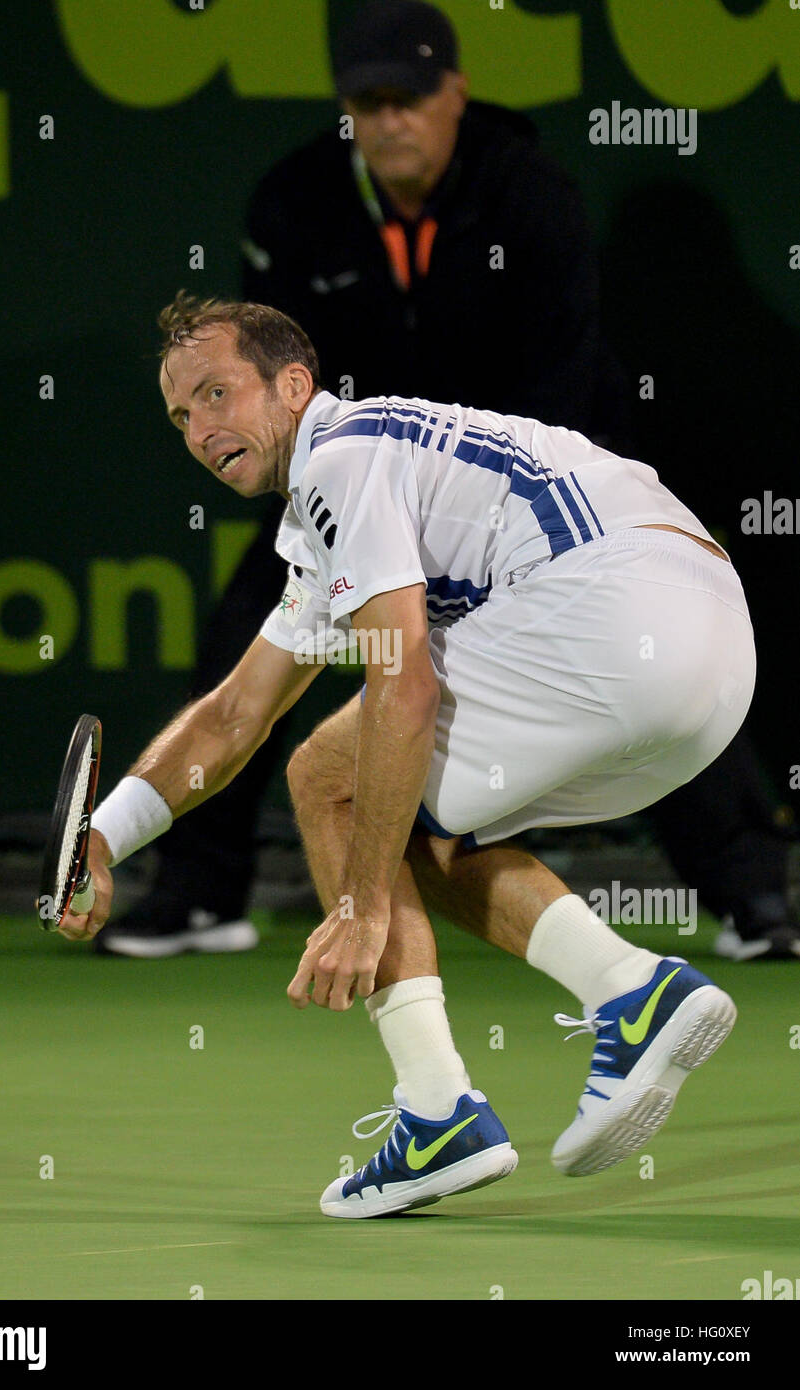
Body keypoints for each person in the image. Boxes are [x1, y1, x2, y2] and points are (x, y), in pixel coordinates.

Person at [98, 0, 798, 964]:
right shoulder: (297, 201)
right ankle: (195, 893)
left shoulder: (528, 191)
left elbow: (560, 359)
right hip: (349, 475)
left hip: (533, 483)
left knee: (409, 739)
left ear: (454, 94)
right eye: (367, 100)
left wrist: (452, 499)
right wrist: (101, 832)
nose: (389, 118)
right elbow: (268, 387)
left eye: (410, 96)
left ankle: (753, 896)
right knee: (267, 678)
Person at [64, 296, 753, 1217]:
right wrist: (101, 841)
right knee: (421, 821)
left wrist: (354, 908)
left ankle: (439, 1109)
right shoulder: (342, 509)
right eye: (181, 414)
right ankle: (624, 992)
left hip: (608, 607)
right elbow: (234, 716)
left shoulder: (341, 463)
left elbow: (406, 686)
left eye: (218, 393)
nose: (199, 428)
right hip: (709, 668)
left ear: (293, 387)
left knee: (333, 779)